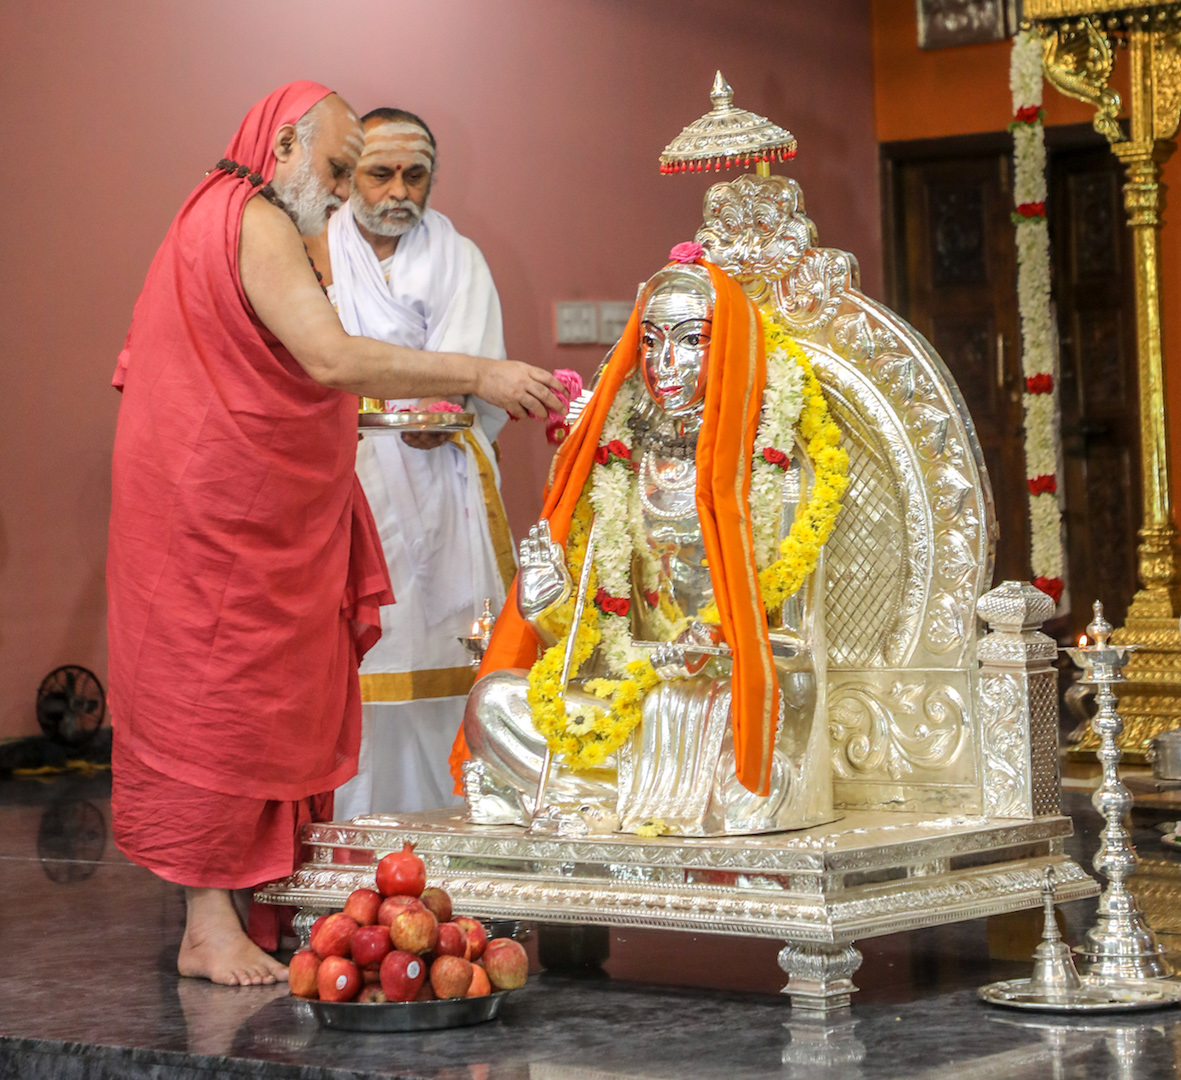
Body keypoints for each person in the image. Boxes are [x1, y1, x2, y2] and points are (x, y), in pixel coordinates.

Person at [107, 81, 561, 987]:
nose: (355, 185)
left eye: (379, 169)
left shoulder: (222, 213)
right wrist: (480, 370)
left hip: (249, 505)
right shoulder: (257, 223)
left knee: (254, 694)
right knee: (227, 703)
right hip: (227, 519)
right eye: (343, 165)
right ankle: (209, 924)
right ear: (280, 147)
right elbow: (329, 357)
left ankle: (250, 901)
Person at [451, 247, 847, 837]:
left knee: (747, 773)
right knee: (494, 705)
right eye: (653, 341)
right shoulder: (620, 465)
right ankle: (601, 794)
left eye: (691, 340)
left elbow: (795, 640)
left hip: (726, 696)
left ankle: (583, 798)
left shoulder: (779, 469)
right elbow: (591, 639)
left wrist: (717, 651)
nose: (666, 362)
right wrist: (546, 604)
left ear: (731, 351)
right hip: (630, 696)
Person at [304, 109, 514, 819]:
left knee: (453, 670)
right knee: (352, 672)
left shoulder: (460, 257)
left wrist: (441, 402)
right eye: (380, 173)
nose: (399, 190)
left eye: (415, 175)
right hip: (347, 486)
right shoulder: (314, 252)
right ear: (350, 176)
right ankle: (350, 843)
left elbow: (467, 375)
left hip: (442, 484)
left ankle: (455, 837)